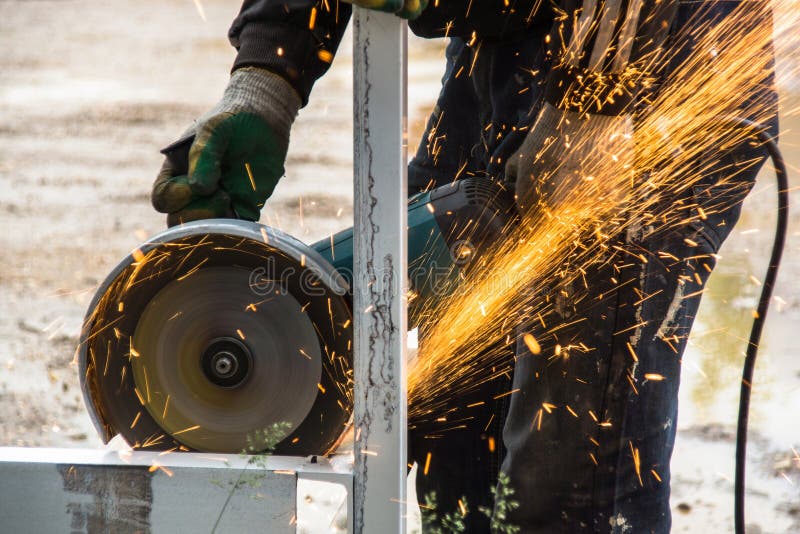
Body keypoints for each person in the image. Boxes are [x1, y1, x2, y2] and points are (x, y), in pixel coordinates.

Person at [151, 1, 778, 531]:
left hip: (652, 70)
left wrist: (597, 96)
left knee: (568, 471)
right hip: (504, 52)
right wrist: (264, 85)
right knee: (450, 433)